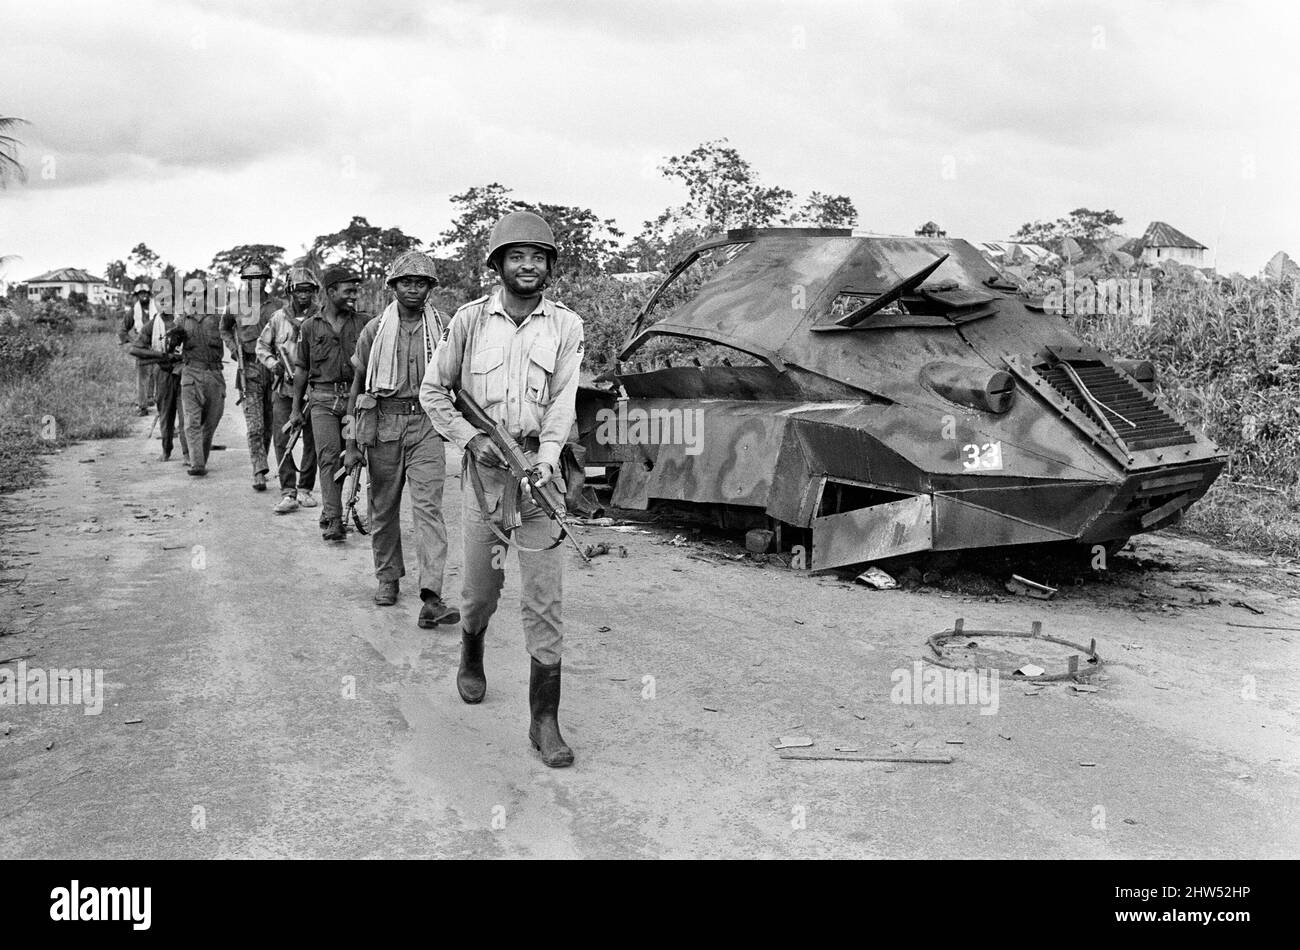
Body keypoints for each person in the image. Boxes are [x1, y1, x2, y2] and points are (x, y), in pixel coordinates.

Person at [420, 211, 584, 768]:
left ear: (551, 266)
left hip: (540, 474)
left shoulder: (566, 326)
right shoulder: (467, 322)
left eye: (538, 257)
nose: (528, 266)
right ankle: (471, 650)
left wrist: (546, 461)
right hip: (487, 477)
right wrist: (470, 439)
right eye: (517, 256)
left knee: (545, 598)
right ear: (497, 264)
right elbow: (434, 391)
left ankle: (544, 721)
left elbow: (562, 402)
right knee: (481, 590)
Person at [344, 250, 459, 627]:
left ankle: (431, 594)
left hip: (427, 423)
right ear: (393, 286)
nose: (414, 289)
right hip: (384, 424)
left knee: (428, 508)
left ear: (430, 288)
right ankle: (388, 576)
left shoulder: (443, 327)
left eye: (421, 282)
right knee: (384, 506)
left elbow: (457, 379)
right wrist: (352, 440)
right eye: (406, 282)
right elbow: (359, 383)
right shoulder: (375, 329)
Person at [289, 265, 368, 542]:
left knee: (349, 457)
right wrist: (296, 409)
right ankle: (334, 519)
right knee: (328, 455)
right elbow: (301, 369)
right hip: (322, 401)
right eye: (348, 290)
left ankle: (331, 508)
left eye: (355, 290)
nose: (353, 295)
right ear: (331, 292)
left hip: (356, 404)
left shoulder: (365, 323)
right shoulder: (310, 326)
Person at [256, 266, 320, 514]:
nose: (303, 295)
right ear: (290, 291)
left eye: (308, 290)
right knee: (283, 440)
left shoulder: (321, 317)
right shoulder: (278, 319)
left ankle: (305, 489)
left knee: (313, 441)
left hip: (314, 390)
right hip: (284, 389)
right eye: (298, 290)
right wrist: (274, 366)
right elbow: (262, 348)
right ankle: (288, 491)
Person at [220, 257, 282, 492]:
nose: (254, 282)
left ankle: (262, 464)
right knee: (255, 425)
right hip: (250, 370)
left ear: (267, 279)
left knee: (269, 425)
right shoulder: (235, 305)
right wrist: (235, 351)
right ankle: (258, 469)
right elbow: (225, 328)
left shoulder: (277, 307)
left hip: (274, 370)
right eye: (249, 278)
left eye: (259, 277)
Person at [167, 290, 226, 476]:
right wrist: (174, 339)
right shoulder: (181, 320)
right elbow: (170, 349)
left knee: (211, 421)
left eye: (198, 294)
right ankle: (197, 464)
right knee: (191, 421)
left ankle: (200, 458)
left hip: (214, 374)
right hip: (191, 372)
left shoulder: (218, 318)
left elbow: (232, 334)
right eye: (189, 294)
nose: (194, 298)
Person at [120, 281, 160, 415]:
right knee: (142, 377)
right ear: (137, 296)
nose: (143, 296)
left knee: (158, 374)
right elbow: (123, 330)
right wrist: (133, 341)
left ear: (149, 294)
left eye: (145, 293)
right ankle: (142, 406)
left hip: (157, 345)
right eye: (140, 294)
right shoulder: (133, 311)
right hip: (142, 347)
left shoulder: (158, 308)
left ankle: (154, 400)